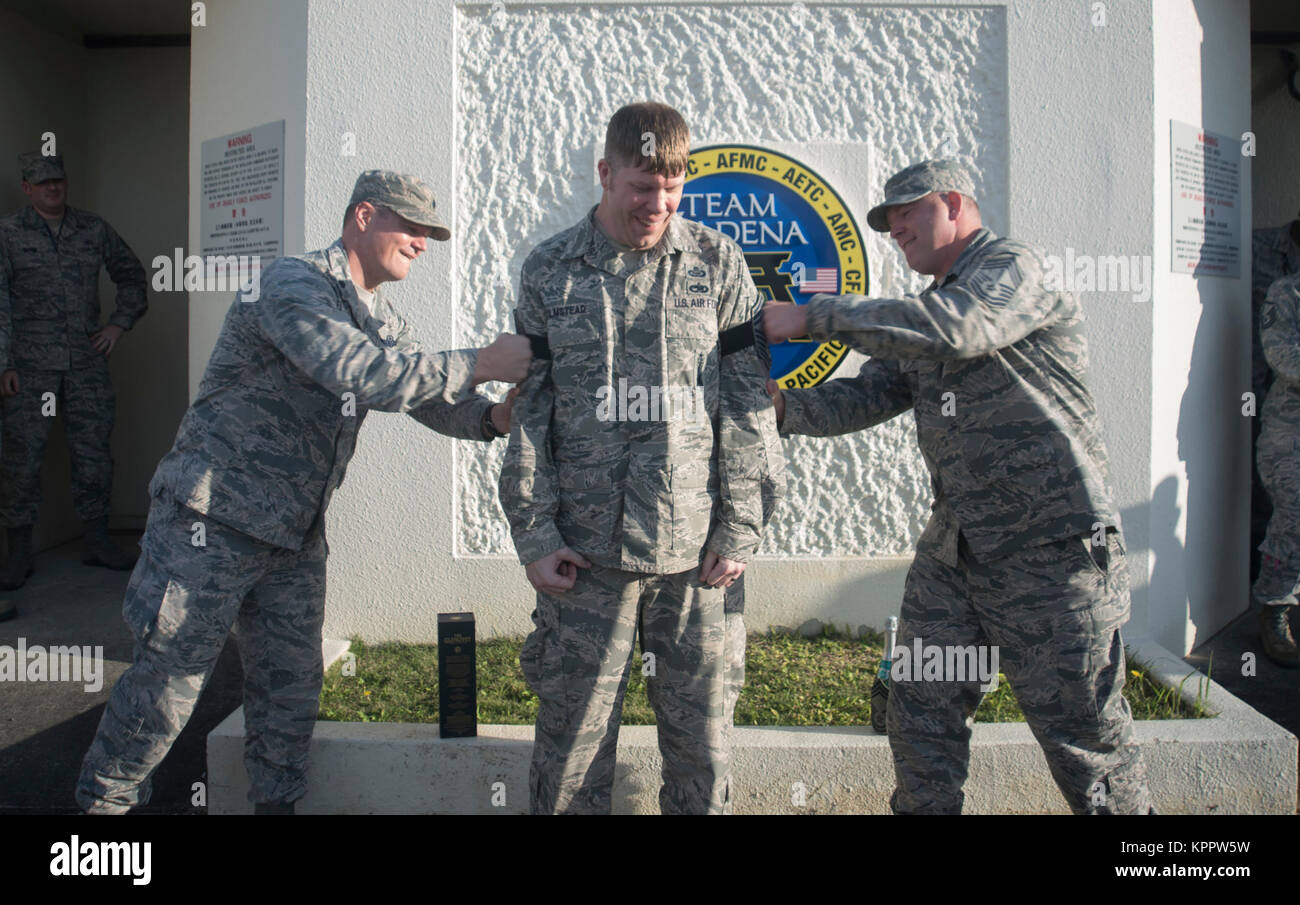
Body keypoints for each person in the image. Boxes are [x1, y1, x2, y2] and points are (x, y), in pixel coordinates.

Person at [76, 170, 531, 814]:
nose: (423, 243)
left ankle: (276, 806)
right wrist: (483, 360)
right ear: (365, 216)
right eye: (412, 227)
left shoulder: (379, 314)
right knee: (166, 688)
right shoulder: (293, 284)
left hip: (293, 536)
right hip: (211, 522)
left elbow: (420, 392)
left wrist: (491, 418)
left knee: (289, 695)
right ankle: (103, 813)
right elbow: (364, 374)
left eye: (431, 233)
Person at [763, 158, 1153, 815]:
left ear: (951, 203)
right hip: (957, 554)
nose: (894, 230)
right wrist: (782, 409)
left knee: (1084, 740)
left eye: (904, 214)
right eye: (886, 223)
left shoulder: (1011, 270)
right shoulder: (925, 311)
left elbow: (960, 329)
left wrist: (815, 316)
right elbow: (869, 393)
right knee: (920, 709)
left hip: (1051, 552)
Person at [499, 102, 783, 815]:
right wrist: (535, 535)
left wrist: (740, 526)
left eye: (673, 183)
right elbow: (529, 413)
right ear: (605, 173)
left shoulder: (719, 265)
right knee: (570, 755)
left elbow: (749, 406)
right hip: (584, 561)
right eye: (642, 184)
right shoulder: (550, 272)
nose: (658, 202)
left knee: (702, 756)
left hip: (697, 562)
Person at [0, 151, 147, 598]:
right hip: (29, 366)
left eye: (57, 181)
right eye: (42, 183)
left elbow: (132, 275)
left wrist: (118, 325)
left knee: (93, 453)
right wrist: (4, 361)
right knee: (21, 459)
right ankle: (18, 552)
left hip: (85, 362)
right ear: (27, 188)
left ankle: (98, 541)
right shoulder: (8, 234)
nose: (52, 189)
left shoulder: (93, 229)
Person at [1250, 212, 1299, 662]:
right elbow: (1283, 355)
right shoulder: (1288, 291)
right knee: (1293, 515)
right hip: (1290, 431)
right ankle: (1274, 608)